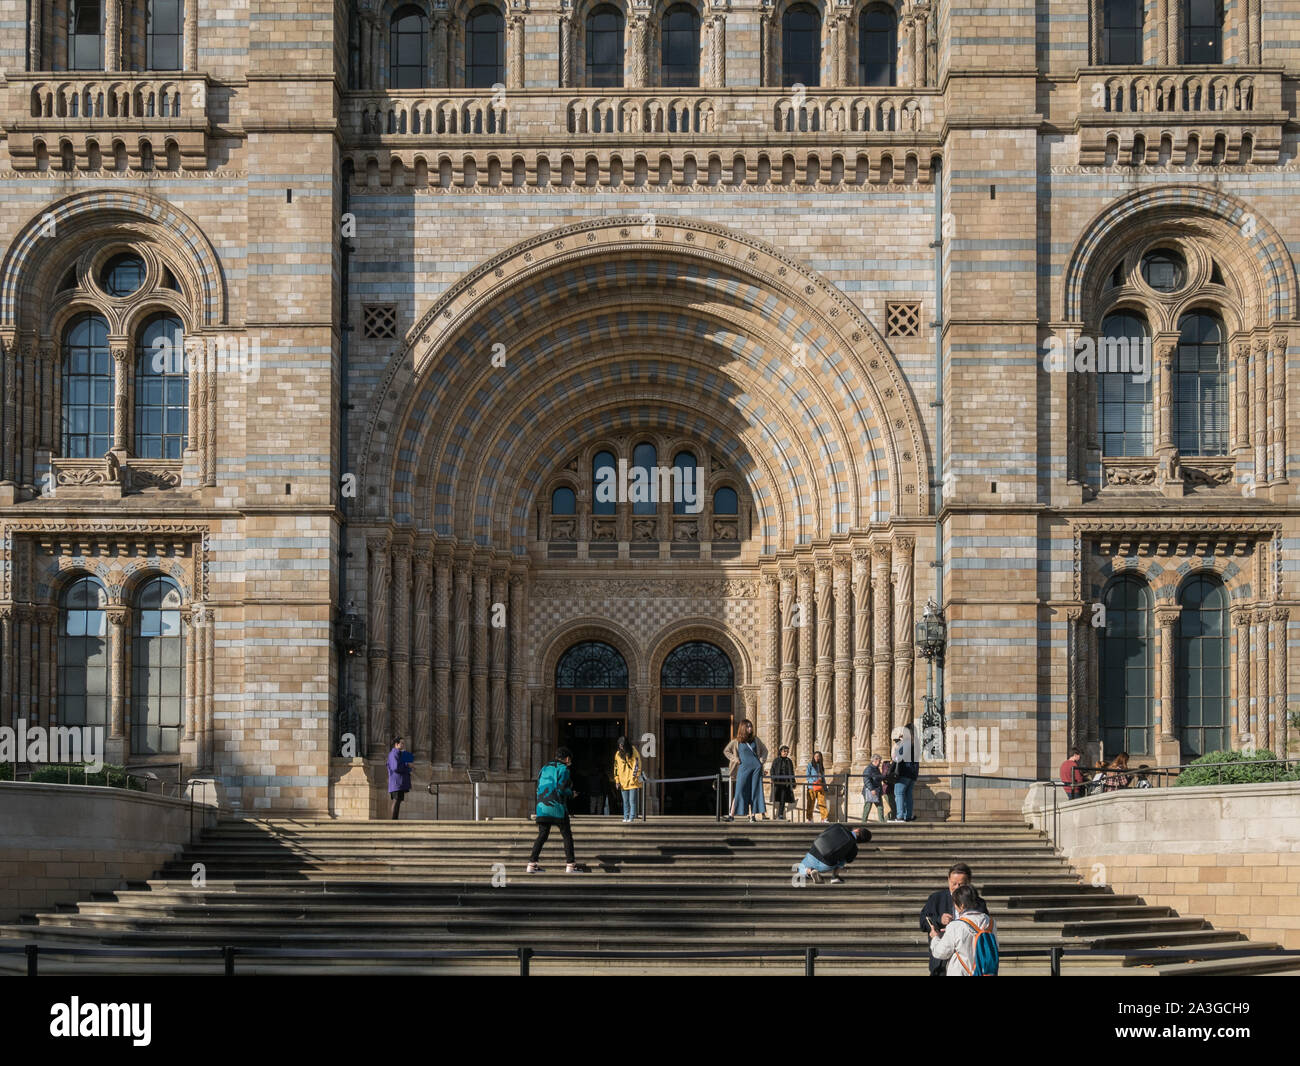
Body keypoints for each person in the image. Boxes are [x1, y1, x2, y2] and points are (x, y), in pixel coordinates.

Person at [526, 747, 589, 873]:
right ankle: (570, 865)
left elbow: (539, 786)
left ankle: (531, 864)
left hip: (542, 807)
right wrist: (572, 794)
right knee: (567, 835)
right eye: (569, 759)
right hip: (556, 807)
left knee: (542, 835)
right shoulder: (564, 769)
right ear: (567, 759)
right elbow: (561, 789)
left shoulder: (544, 768)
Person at [920, 862, 985, 976]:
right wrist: (939, 920)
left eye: (961, 884)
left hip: (969, 963)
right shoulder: (936, 898)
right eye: (953, 883)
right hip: (940, 963)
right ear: (948, 879)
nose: (956, 888)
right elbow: (923, 922)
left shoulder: (979, 902)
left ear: (969, 883)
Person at [928, 883, 999, 976]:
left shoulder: (955, 926)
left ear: (961, 905)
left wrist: (935, 938)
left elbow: (940, 953)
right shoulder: (991, 922)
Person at [722, 719, 769, 822]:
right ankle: (731, 815)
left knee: (754, 791)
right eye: (747, 726)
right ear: (742, 728)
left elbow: (765, 750)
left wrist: (761, 761)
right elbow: (726, 751)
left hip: (756, 768)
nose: (750, 728)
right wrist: (735, 759)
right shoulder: (736, 741)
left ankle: (752, 816)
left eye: (750, 726)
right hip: (743, 768)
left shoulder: (755, 739)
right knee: (739, 790)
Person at [795, 825, 871, 885]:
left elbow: (823, 834)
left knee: (800, 868)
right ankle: (835, 876)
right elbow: (849, 860)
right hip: (825, 865)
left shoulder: (838, 826)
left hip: (813, 854)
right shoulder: (854, 849)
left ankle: (809, 871)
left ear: (857, 830)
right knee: (844, 858)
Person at [892, 723, 919, 821]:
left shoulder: (907, 743)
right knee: (908, 795)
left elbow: (898, 757)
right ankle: (908, 816)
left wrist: (897, 745)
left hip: (904, 772)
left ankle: (899, 816)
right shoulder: (916, 743)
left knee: (898, 793)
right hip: (913, 773)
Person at [613, 735, 642, 822]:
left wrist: (634, 777)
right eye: (620, 745)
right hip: (622, 781)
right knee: (625, 801)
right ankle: (626, 817)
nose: (621, 747)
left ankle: (631, 817)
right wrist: (617, 780)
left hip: (632, 781)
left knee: (631, 801)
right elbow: (616, 768)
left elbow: (637, 764)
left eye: (622, 745)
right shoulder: (617, 754)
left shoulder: (633, 751)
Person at [386, 737, 413, 819]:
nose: (403, 745)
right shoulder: (393, 753)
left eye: (404, 743)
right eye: (402, 743)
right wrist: (407, 765)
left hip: (401, 782)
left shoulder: (402, 753)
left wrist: (409, 765)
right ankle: (393, 821)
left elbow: (409, 766)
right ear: (396, 744)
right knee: (396, 800)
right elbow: (395, 767)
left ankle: (395, 820)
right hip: (396, 782)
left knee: (398, 801)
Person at [770, 744, 796, 820]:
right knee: (775, 798)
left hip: (785, 783)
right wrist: (772, 779)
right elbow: (772, 770)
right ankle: (774, 814)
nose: (786, 753)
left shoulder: (789, 761)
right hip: (777, 782)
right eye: (784, 751)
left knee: (783, 798)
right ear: (781, 751)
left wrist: (793, 782)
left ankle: (780, 814)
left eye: (787, 752)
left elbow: (791, 772)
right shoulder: (776, 760)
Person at [805, 750, 829, 822]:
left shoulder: (821, 766)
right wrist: (814, 781)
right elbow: (807, 776)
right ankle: (810, 818)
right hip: (811, 787)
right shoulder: (810, 765)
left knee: (822, 802)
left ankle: (824, 818)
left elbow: (823, 777)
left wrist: (825, 787)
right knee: (810, 803)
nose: (817, 758)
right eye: (815, 756)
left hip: (820, 786)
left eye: (818, 756)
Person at [862, 754, 887, 822]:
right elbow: (866, 780)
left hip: (877, 790)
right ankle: (863, 822)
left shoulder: (876, 769)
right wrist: (872, 789)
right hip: (870, 791)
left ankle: (882, 822)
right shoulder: (868, 769)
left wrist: (884, 777)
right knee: (867, 807)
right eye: (879, 761)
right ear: (875, 761)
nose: (880, 763)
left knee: (880, 807)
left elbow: (878, 777)